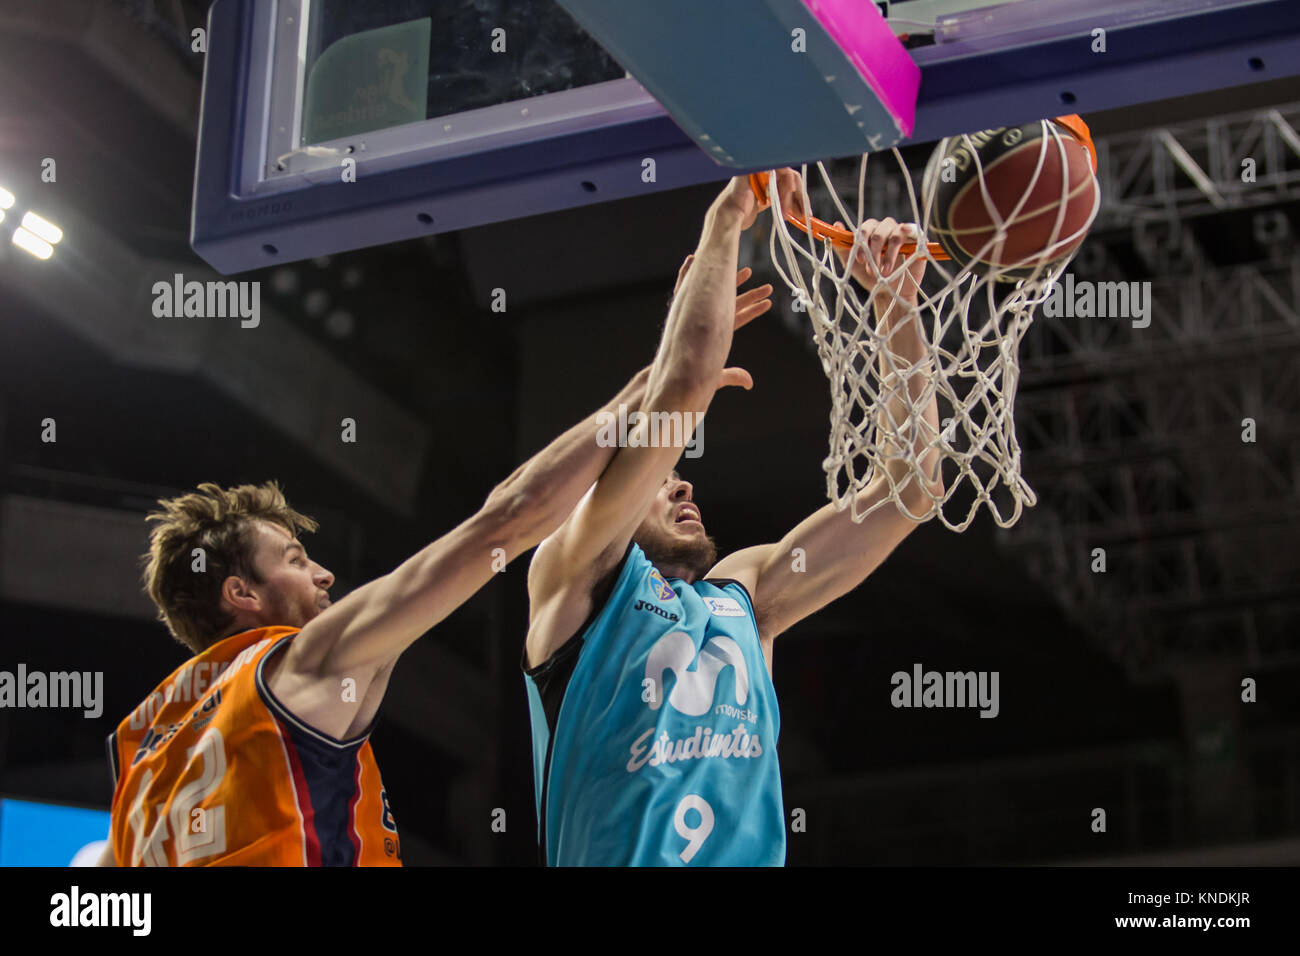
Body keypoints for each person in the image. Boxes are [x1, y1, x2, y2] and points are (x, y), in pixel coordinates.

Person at [98, 317, 761, 865]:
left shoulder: (140, 748)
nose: (323, 575)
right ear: (241, 593)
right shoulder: (307, 662)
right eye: (296, 560)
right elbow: (508, 519)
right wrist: (645, 391)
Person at [523, 170, 942, 865]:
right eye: (662, 481)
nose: (682, 485)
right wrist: (731, 212)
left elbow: (911, 490)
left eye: (680, 479)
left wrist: (896, 308)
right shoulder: (574, 577)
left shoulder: (742, 598)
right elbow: (683, 389)